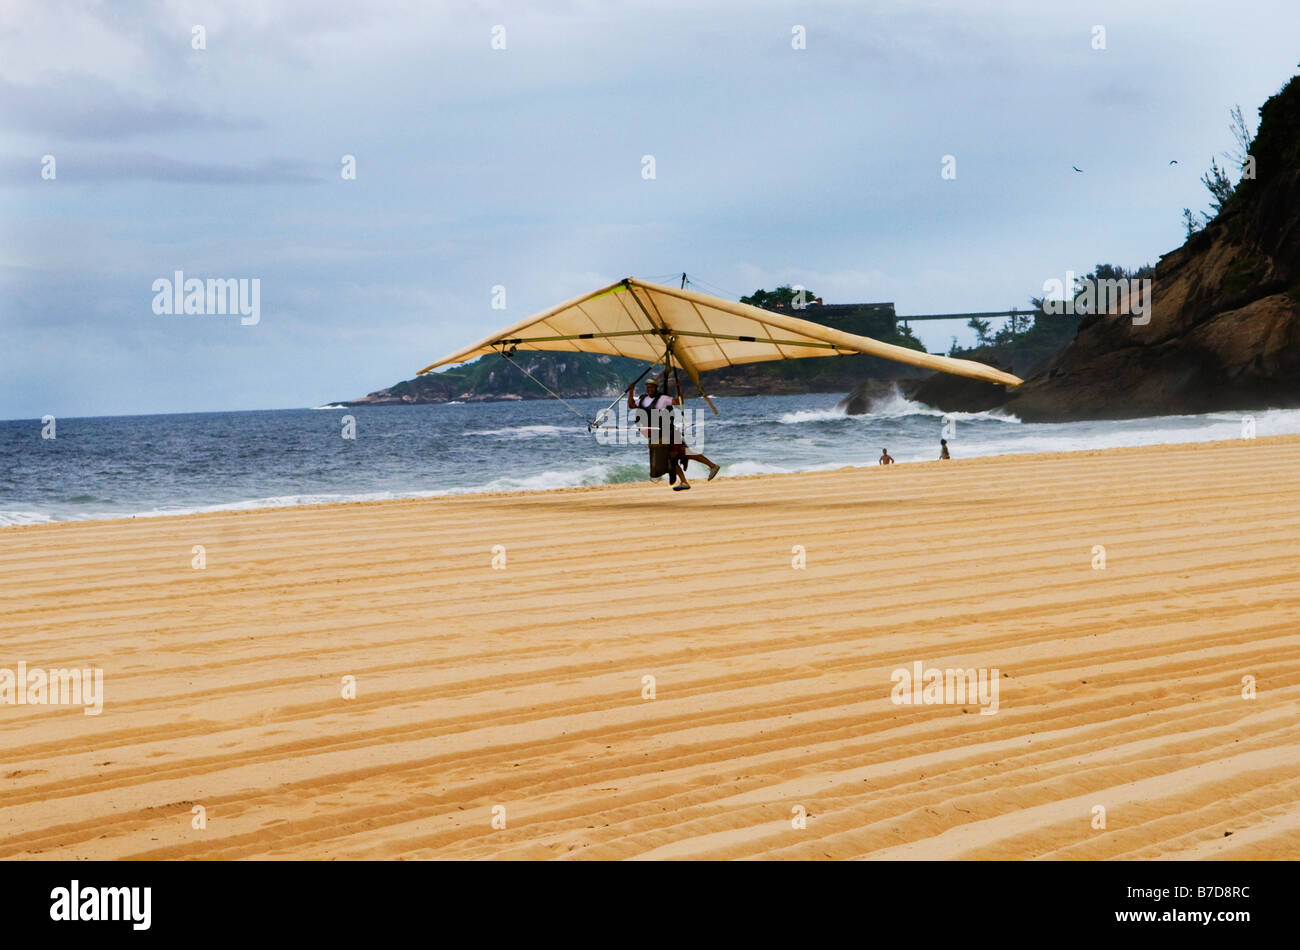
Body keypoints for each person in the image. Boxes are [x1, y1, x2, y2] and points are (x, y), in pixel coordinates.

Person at [628, 379, 720, 490]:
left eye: (652, 387)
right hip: (657, 435)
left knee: (682, 454)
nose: (650, 389)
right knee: (672, 459)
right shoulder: (643, 399)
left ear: (656, 387)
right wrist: (631, 391)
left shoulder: (663, 399)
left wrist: (679, 388)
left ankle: (711, 466)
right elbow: (631, 405)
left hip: (668, 433)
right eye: (648, 387)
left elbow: (679, 402)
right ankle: (685, 481)